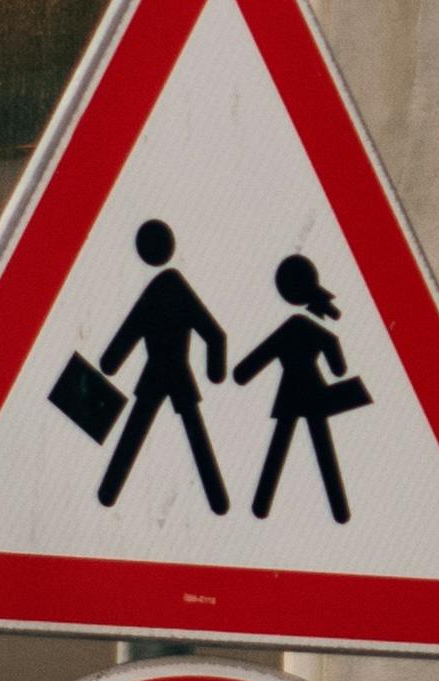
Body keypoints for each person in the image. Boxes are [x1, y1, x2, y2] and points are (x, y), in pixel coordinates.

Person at [95, 220, 231, 513]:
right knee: (189, 433)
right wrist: (215, 371)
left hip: (159, 374)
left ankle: (108, 494)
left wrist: (111, 363)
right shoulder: (174, 289)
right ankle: (218, 502)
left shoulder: (159, 290)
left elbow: (130, 330)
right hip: (174, 375)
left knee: (140, 430)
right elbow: (214, 335)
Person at [236, 251, 373, 525]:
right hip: (312, 395)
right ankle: (340, 513)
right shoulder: (315, 331)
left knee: (280, 450)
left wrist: (243, 374)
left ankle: (260, 508)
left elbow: (249, 366)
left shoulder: (291, 328)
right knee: (322, 452)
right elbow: (338, 367)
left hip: (289, 396)